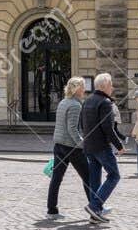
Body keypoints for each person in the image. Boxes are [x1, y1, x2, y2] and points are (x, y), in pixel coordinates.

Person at [46, 77, 95, 217]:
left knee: (56, 178)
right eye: (83, 87)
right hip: (72, 148)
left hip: (59, 145)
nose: (85, 90)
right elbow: (72, 128)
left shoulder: (63, 102)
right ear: (77, 89)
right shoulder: (75, 105)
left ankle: (51, 210)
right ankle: (95, 207)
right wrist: (82, 144)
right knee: (88, 177)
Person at [79, 73, 124, 222]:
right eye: (111, 85)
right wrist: (119, 146)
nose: (112, 88)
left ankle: (95, 213)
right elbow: (108, 127)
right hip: (101, 146)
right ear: (104, 86)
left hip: (89, 146)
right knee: (114, 175)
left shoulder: (87, 101)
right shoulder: (105, 102)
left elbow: (81, 124)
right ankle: (95, 205)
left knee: (94, 179)